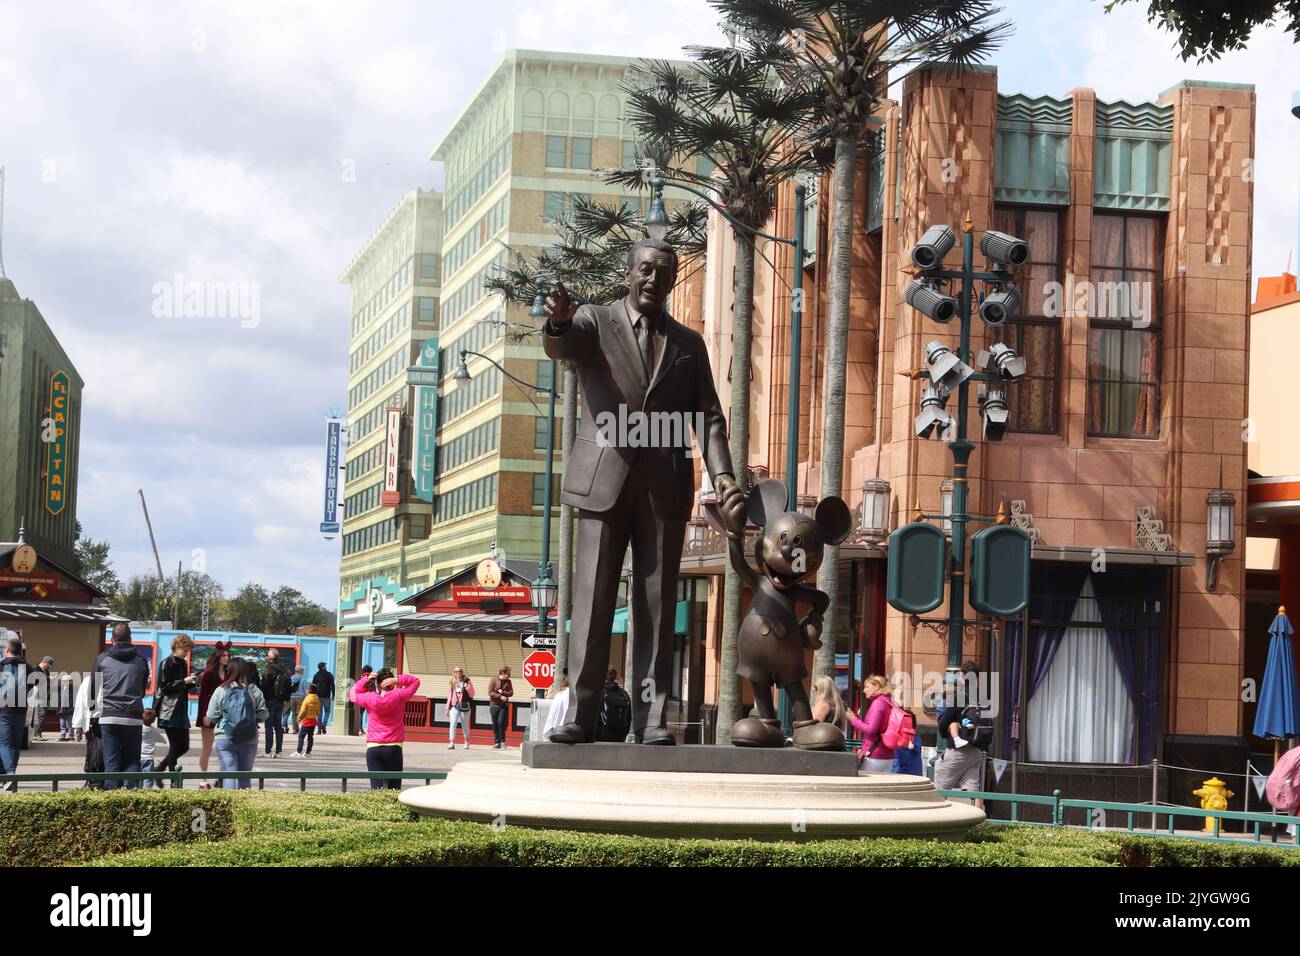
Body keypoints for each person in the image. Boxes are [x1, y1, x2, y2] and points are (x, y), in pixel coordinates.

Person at [541, 241, 747, 744]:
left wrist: (722, 477)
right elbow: (563, 345)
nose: (655, 278)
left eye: (665, 271)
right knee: (591, 600)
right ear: (629, 273)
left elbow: (709, 416)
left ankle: (652, 721)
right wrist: (560, 323)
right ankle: (580, 717)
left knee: (655, 606)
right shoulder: (594, 320)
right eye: (646, 269)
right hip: (603, 482)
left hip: (664, 487)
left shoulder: (688, 343)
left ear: (674, 281)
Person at [92, 623, 151, 789]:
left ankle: (113, 802)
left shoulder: (102, 659)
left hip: (109, 716)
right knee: (132, 760)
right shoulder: (141, 660)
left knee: (111, 763)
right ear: (131, 639)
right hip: (133, 718)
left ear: (112, 640)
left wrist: (93, 713)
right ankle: (129, 798)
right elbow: (142, 688)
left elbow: (92, 690)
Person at [349, 667, 419, 789]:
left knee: (377, 789)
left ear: (378, 685)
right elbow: (415, 682)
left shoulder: (369, 698)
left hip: (373, 747)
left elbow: (353, 695)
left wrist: (365, 679)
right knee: (394, 788)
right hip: (394, 746)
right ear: (392, 683)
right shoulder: (400, 695)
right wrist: (398, 680)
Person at [206, 660, 268, 790]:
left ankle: (230, 805)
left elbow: (211, 716)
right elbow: (263, 714)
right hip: (249, 738)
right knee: (245, 776)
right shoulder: (254, 691)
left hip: (225, 738)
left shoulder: (221, 690)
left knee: (229, 773)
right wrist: (249, 719)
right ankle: (243, 807)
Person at [934, 665, 987, 799]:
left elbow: (943, 724)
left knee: (940, 790)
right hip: (976, 751)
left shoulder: (960, 697)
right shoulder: (984, 697)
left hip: (958, 751)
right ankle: (980, 817)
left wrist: (948, 734)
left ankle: (938, 819)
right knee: (973, 791)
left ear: (963, 677)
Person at [154, 634, 197, 785]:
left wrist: (190, 682)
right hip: (169, 709)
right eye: (185, 650)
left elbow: (181, 686)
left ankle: (159, 770)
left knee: (184, 746)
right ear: (177, 647)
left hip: (180, 708)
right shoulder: (166, 663)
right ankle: (172, 779)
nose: (186, 653)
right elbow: (165, 686)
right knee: (175, 745)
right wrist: (183, 681)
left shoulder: (183, 664)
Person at [195, 642, 230, 789]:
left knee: (225, 747)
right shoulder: (209, 672)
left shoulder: (229, 673)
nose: (227, 658)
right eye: (224, 655)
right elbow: (203, 696)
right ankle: (203, 780)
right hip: (209, 714)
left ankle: (222, 778)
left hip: (225, 715)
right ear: (217, 657)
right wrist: (205, 716)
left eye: (228, 655)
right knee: (207, 748)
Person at [845, 674, 896, 773]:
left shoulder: (878, 703)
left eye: (867, 687)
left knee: (867, 786)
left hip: (874, 755)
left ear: (876, 686)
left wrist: (853, 719)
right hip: (887, 755)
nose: (864, 690)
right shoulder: (889, 702)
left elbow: (871, 729)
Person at [0, 637, 30, 790]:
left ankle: (10, 774)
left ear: (7, 650)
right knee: (15, 744)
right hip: (20, 710)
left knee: (4, 743)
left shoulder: (1, 666)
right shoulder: (28, 667)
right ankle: (11, 777)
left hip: (4, 710)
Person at [259, 648, 292, 759]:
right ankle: (279, 751)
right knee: (278, 726)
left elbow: (264, 686)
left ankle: (268, 751)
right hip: (280, 701)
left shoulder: (269, 670)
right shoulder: (283, 669)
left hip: (270, 700)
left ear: (269, 658)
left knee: (268, 727)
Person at [595, 668, 632, 742]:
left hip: (600, 736)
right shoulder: (624, 693)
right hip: (619, 735)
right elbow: (628, 717)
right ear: (615, 676)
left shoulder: (598, 692)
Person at [446, 667, 474, 750]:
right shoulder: (452, 682)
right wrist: (447, 707)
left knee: (464, 724)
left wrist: (468, 687)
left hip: (464, 706)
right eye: (456, 671)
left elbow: (472, 694)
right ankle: (451, 742)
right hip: (454, 706)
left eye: (459, 671)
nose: (457, 673)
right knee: (453, 723)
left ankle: (466, 741)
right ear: (454, 673)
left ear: (462, 672)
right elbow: (450, 695)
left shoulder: (467, 681)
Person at [487, 665, 513, 750]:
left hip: (503, 706)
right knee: (495, 724)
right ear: (502, 673)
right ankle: (497, 742)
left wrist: (504, 693)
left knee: (501, 723)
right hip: (494, 705)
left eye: (508, 674)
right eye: (506, 674)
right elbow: (490, 692)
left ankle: (502, 742)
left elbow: (511, 693)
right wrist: (499, 696)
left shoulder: (508, 681)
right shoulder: (493, 680)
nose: (507, 676)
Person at [293, 683, 320, 757]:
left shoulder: (307, 699)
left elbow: (303, 710)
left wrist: (299, 717)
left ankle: (298, 751)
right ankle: (308, 752)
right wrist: (315, 715)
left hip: (306, 720)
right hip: (313, 720)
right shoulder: (317, 699)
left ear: (309, 691)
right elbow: (318, 710)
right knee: (310, 737)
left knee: (301, 736)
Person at [140, 708, 166, 788]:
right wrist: (164, 741)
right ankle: (147, 791)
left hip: (139, 756)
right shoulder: (154, 731)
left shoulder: (138, 728)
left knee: (139, 776)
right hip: (149, 758)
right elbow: (162, 739)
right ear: (153, 720)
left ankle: (138, 789)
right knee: (149, 777)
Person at [542, 672, 571, 741]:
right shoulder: (574, 697)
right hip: (570, 739)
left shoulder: (559, 696)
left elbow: (549, 724)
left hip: (556, 736)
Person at [314, 662, 335, 735]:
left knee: (319, 714)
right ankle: (324, 723)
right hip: (326, 696)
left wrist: (313, 695)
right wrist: (334, 694)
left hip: (318, 696)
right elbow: (332, 685)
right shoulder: (329, 674)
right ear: (323, 667)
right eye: (325, 665)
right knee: (327, 711)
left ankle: (319, 730)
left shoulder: (316, 675)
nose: (326, 666)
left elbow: (313, 686)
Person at [288, 665, 307, 735]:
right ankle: (298, 727)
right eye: (302, 670)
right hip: (300, 697)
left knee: (293, 714)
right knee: (300, 713)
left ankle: (294, 729)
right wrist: (305, 698)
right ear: (300, 671)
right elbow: (304, 690)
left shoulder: (291, 678)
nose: (303, 671)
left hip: (292, 698)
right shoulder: (303, 679)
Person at [355, 664, 373, 736]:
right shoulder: (371, 677)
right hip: (368, 697)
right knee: (370, 714)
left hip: (359, 698)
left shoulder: (360, 677)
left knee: (360, 714)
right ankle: (368, 729)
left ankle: (359, 728)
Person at [57, 674, 76, 741]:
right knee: (62, 724)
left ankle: (71, 736)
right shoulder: (61, 689)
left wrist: (72, 709)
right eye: (63, 681)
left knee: (69, 724)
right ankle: (62, 736)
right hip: (61, 710)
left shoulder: (73, 690)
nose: (65, 682)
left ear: (70, 682)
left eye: (67, 681)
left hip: (69, 710)